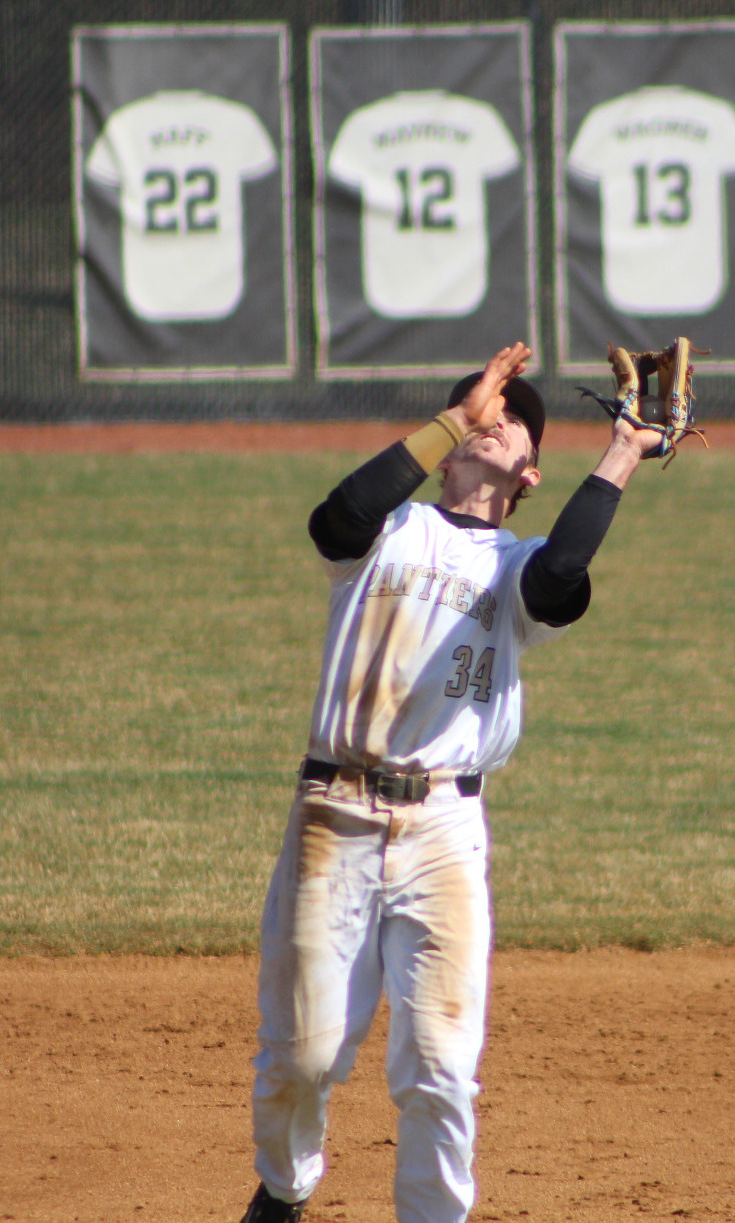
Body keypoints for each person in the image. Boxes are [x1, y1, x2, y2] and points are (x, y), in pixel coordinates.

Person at [240, 341, 663, 1223]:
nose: (496, 417)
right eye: (485, 406)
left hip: (443, 832)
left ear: (531, 473)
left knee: (440, 1066)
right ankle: (284, 1192)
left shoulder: (515, 565)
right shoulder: (385, 534)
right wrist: (452, 420)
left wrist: (623, 451)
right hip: (333, 815)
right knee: (302, 1059)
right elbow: (337, 516)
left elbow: (561, 575)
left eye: (515, 420)